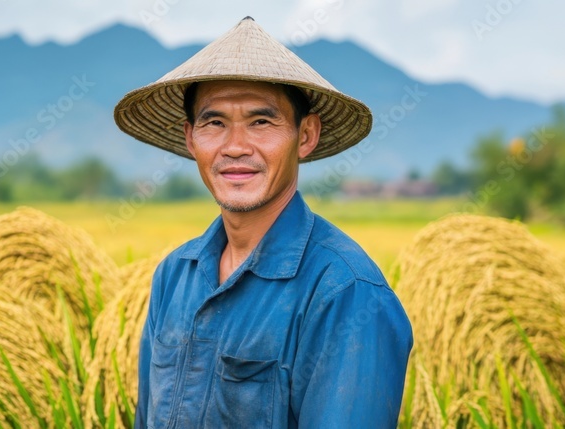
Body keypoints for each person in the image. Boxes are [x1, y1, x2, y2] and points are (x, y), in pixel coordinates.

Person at [113, 17, 414, 428]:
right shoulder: (175, 275)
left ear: (305, 136)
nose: (235, 147)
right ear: (190, 137)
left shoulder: (345, 291)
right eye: (215, 123)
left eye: (261, 122)